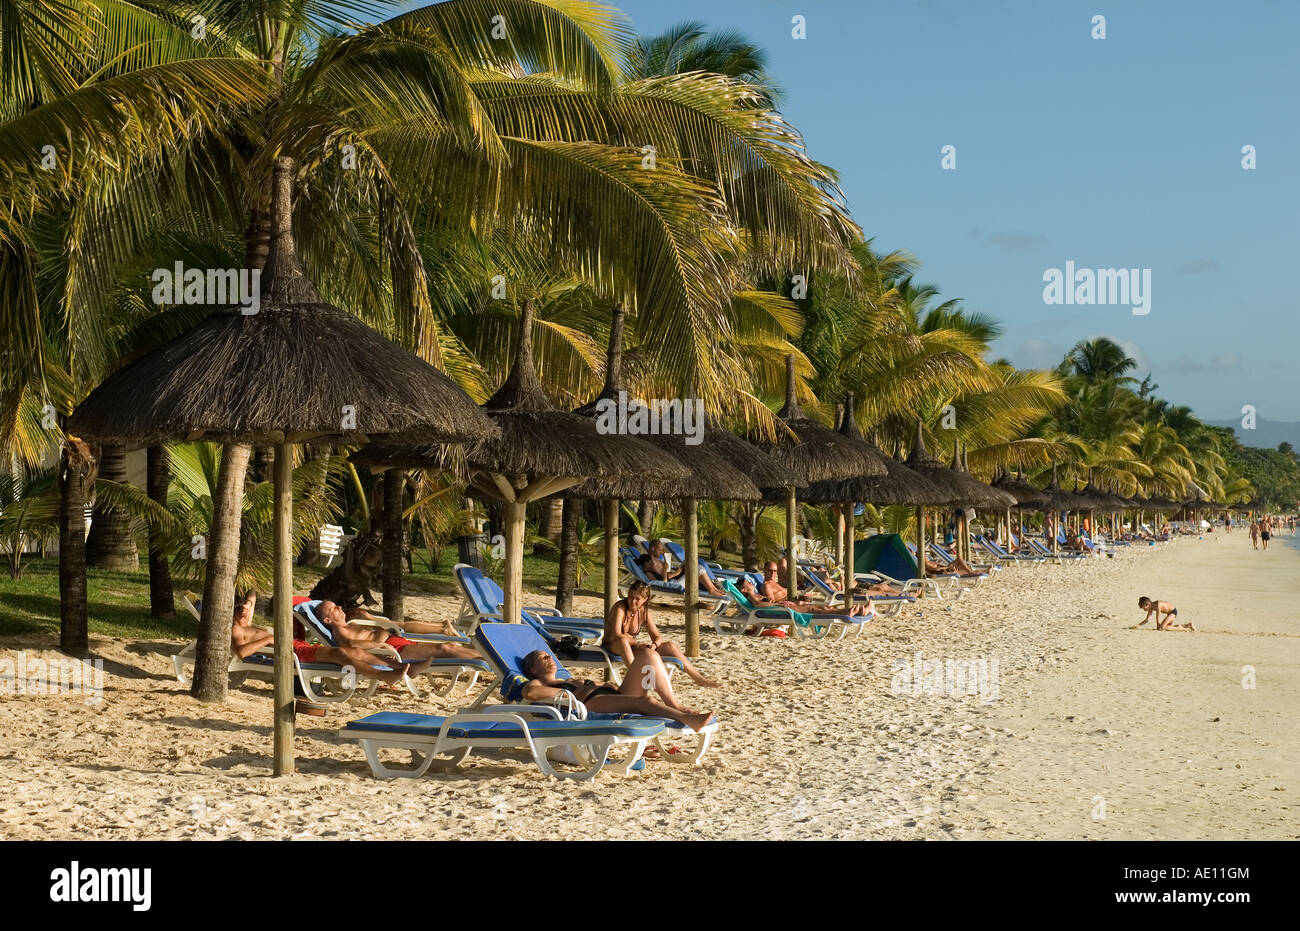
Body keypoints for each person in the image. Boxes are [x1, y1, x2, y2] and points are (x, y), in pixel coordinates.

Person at [231, 592, 428, 683]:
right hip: (290, 651)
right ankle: (383, 675)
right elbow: (241, 652)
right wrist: (269, 639)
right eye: (241, 609)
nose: (246, 611)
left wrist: (246, 599)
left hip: (292, 645)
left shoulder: (246, 621)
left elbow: (252, 593)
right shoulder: (236, 630)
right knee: (342, 655)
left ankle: (396, 667)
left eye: (247, 608)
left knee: (353, 651)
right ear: (232, 612)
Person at [520, 649, 715, 732]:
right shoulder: (540, 684)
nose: (549, 658)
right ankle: (686, 718)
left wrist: (604, 685)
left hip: (609, 694)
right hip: (590, 704)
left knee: (648, 654)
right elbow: (529, 693)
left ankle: (674, 705)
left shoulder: (568, 678)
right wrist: (566, 695)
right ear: (533, 669)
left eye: (549, 655)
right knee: (646, 703)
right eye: (542, 657)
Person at [603, 581, 720, 687]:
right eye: (630, 597)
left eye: (637, 599)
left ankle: (699, 679)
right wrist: (637, 644)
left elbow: (657, 636)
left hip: (631, 647)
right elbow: (617, 634)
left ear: (645, 599)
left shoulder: (643, 611)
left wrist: (653, 645)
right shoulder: (620, 607)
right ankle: (638, 678)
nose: (632, 601)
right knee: (623, 641)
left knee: (670, 646)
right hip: (612, 646)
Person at [312, 599, 481, 662]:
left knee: (449, 647)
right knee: (445, 649)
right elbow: (349, 645)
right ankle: (487, 660)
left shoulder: (350, 625)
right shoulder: (340, 632)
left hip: (395, 642)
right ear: (327, 620)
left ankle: (487, 658)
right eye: (333, 608)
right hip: (394, 649)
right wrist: (381, 644)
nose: (339, 607)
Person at [749, 562, 872, 616]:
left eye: (775, 571)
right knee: (815, 609)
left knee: (824, 607)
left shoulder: (774, 583)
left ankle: (854, 610)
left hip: (792, 603)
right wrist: (790, 601)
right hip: (786, 608)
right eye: (770, 570)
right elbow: (770, 601)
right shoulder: (767, 585)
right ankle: (848, 612)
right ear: (764, 571)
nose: (773, 573)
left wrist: (799, 596)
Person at [636, 539, 727, 597]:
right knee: (696, 568)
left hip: (676, 579)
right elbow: (663, 584)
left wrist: (678, 571)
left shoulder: (658, 561)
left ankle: (714, 589)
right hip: (675, 584)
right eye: (659, 550)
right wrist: (667, 571)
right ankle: (712, 589)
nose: (661, 552)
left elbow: (669, 576)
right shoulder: (648, 572)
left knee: (693, 562)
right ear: (652, 548)